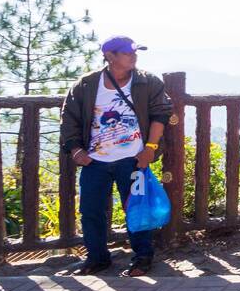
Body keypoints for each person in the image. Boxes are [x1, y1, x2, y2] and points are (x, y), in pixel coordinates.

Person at [59, 37, 172, 277]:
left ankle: (143, 258)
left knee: (136, 208)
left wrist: (149, 149)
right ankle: (97, 258)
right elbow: (69, 118)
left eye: (135, 52)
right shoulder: (87, 85)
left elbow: (160, 115)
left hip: (133, 158)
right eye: (127, 53)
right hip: (95, 160)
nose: (134, 56)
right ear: (110, 56)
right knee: (91, 210)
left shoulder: (147, 82)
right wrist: (76, 150)